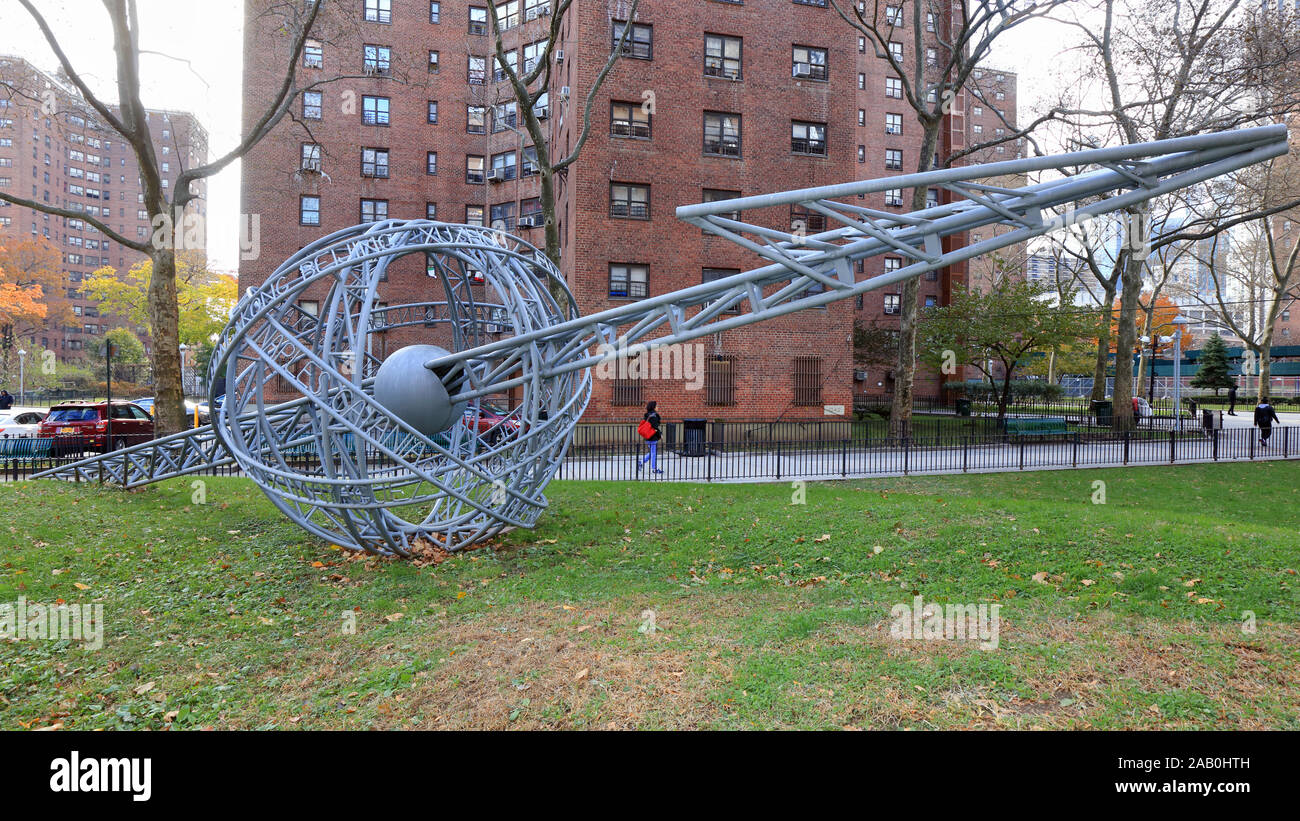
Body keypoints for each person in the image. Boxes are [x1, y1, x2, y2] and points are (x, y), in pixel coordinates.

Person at [637, 401, 663, 474]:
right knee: (653, 453)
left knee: (652, 452)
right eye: (657, 406)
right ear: (654, 407)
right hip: (652, 437)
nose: (658, 407)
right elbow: (655, 427)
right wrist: (660, 434)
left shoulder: (648, 415)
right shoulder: (654, 416)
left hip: (648, 436)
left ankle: (641, 462)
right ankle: (654, 469)